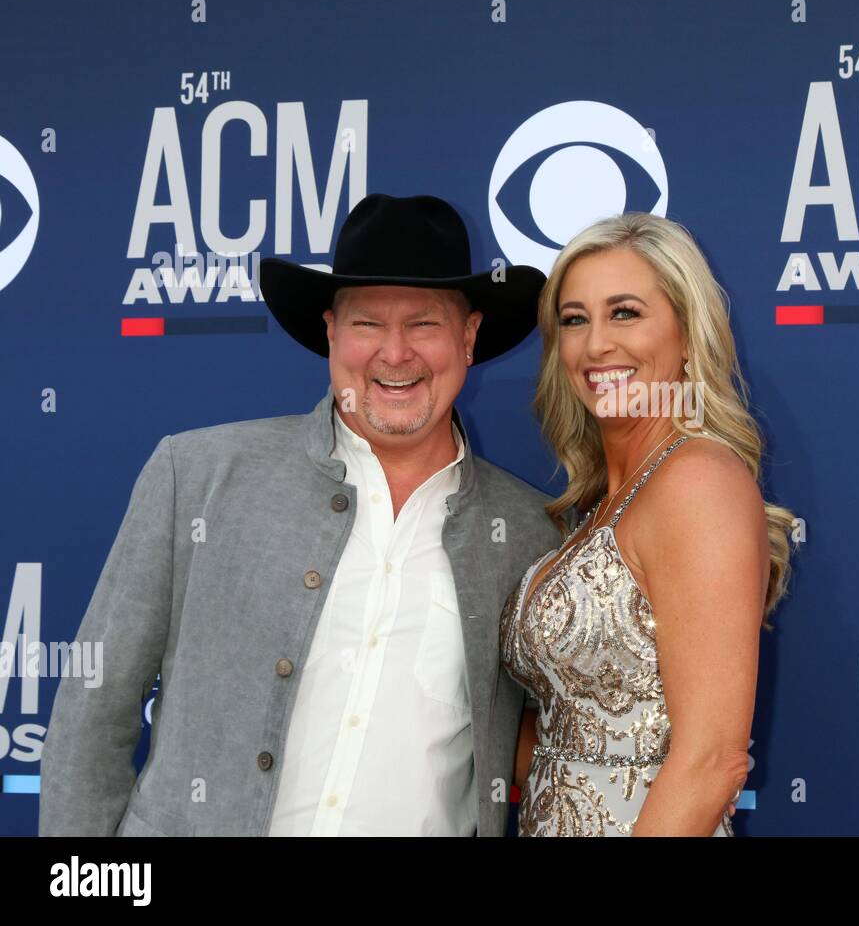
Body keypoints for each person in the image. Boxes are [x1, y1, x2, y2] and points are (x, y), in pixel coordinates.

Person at [39, 194, 563, 836]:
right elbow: (94, 713)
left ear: (470, 337)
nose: (395, 354)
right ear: (331, 333)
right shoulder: (197, 475)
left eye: (424, 324)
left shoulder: (532, 534)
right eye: (368, 323)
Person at [499, 212, 797, 836]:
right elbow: (564, 731)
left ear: (688, 335)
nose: (596, 344)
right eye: (574, 319)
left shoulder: (698, 481)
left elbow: (713, 760)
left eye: (625, 313)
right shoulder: (603, 504)